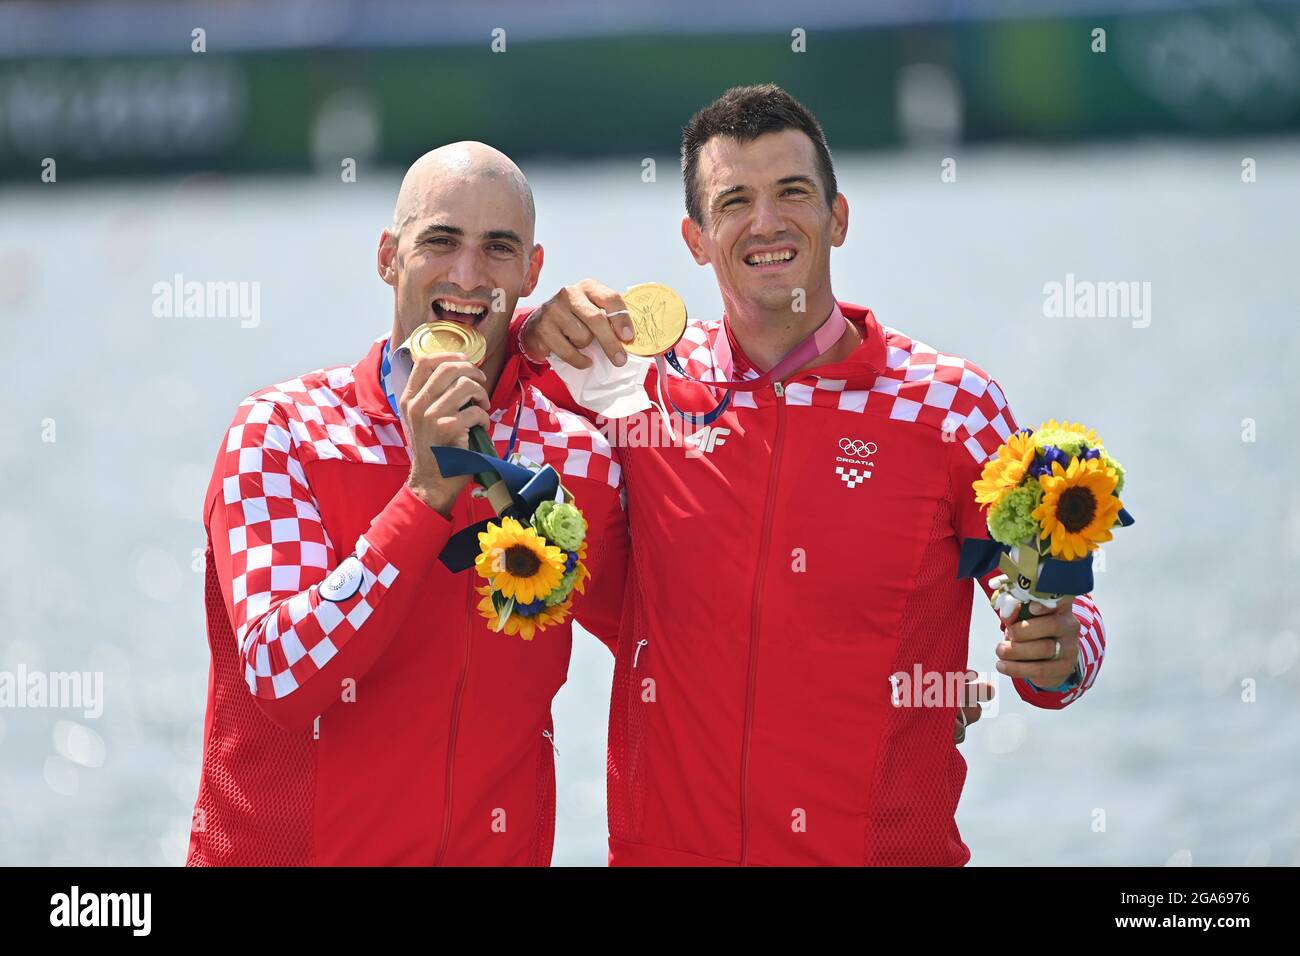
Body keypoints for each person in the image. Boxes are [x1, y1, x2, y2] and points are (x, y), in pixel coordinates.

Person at [515, 85, 1106, 866]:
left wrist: (1061, 654)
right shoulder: (636, 387)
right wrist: (530, 331)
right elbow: (460, 387)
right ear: (696, 237)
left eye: (792, 192)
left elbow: (1054, 621)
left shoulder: (951, 405)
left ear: (839, 217)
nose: (766, 222)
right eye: (735, 201)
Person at [188, 142, 627, 866]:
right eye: (441, 241)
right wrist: (422, 498)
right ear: (389, 256)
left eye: (497, 249)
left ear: (532, 272)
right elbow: (282, 673)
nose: (466, 273)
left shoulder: (578, 455)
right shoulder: (281, 432)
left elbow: (681, 649)